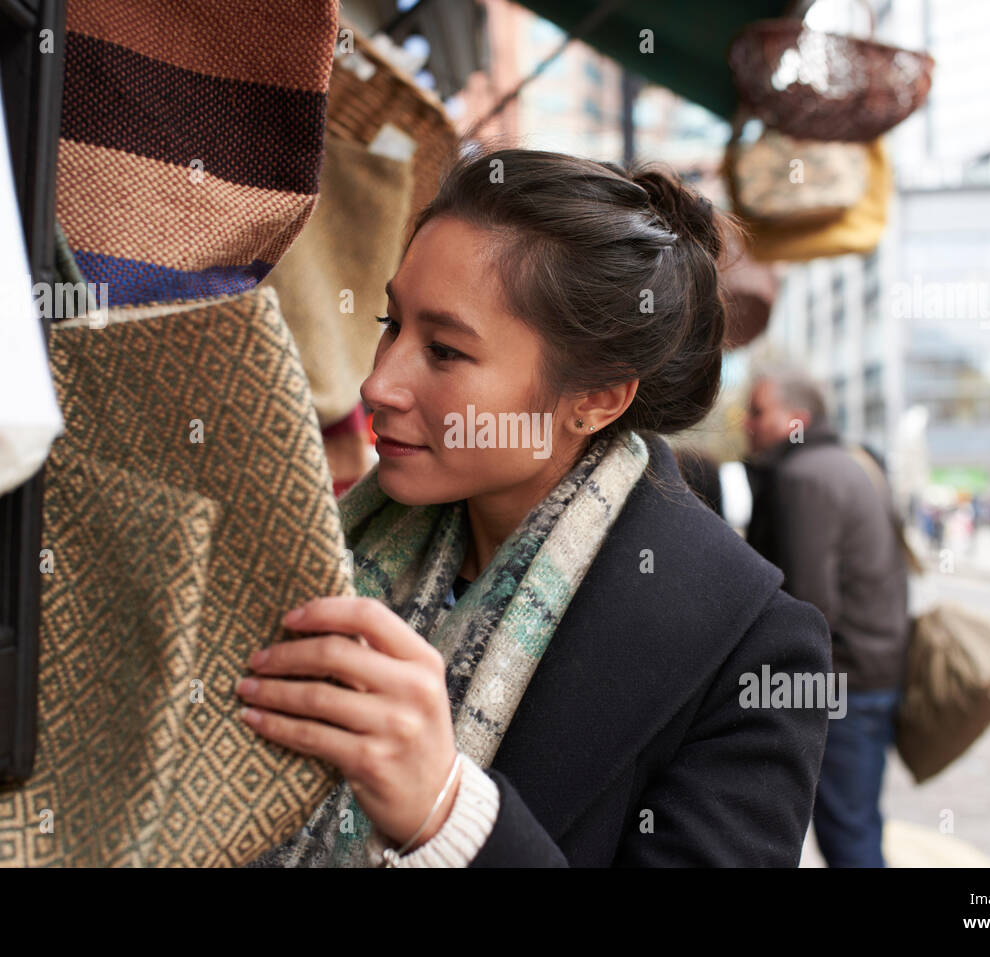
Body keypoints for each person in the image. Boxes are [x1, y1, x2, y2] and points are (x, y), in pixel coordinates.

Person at [241, 146, 831, 867]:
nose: (379, 382)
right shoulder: (316, 549)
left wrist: (448, 815)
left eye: (446, 351)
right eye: (389, 323)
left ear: (596, 398)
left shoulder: (750, 649)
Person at [742, 364, 909, 867]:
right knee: (858, 826)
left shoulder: (803, 477)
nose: (748, 423)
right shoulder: (849, 462)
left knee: (848, 839)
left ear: (797, 417)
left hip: (844, 687)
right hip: (872, 677)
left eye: (758, 411)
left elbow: (809, 611)